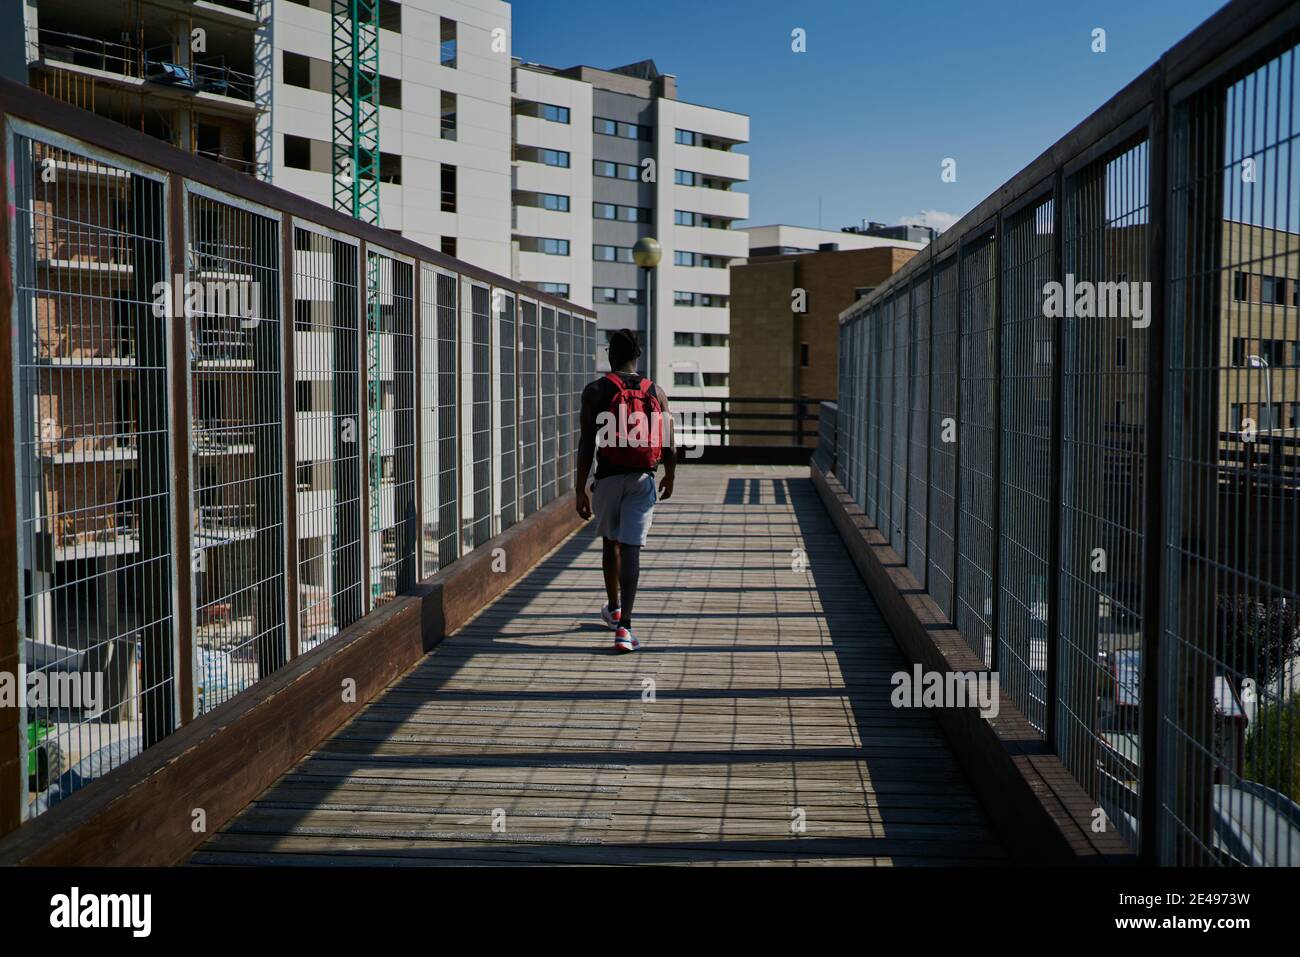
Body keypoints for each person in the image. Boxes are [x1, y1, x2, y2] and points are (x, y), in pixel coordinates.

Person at [575, 329, 675, 653]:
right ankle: (625, 628)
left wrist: (580, 490)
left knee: (610, 543)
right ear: (638, 355)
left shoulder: (595, 391)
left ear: (609, 355)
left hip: (607, 479)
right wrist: (670, 476)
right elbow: (669, 440)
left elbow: (586, 444)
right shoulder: (656, 392)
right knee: (632, 548)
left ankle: (613, 606)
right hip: (642, 479)